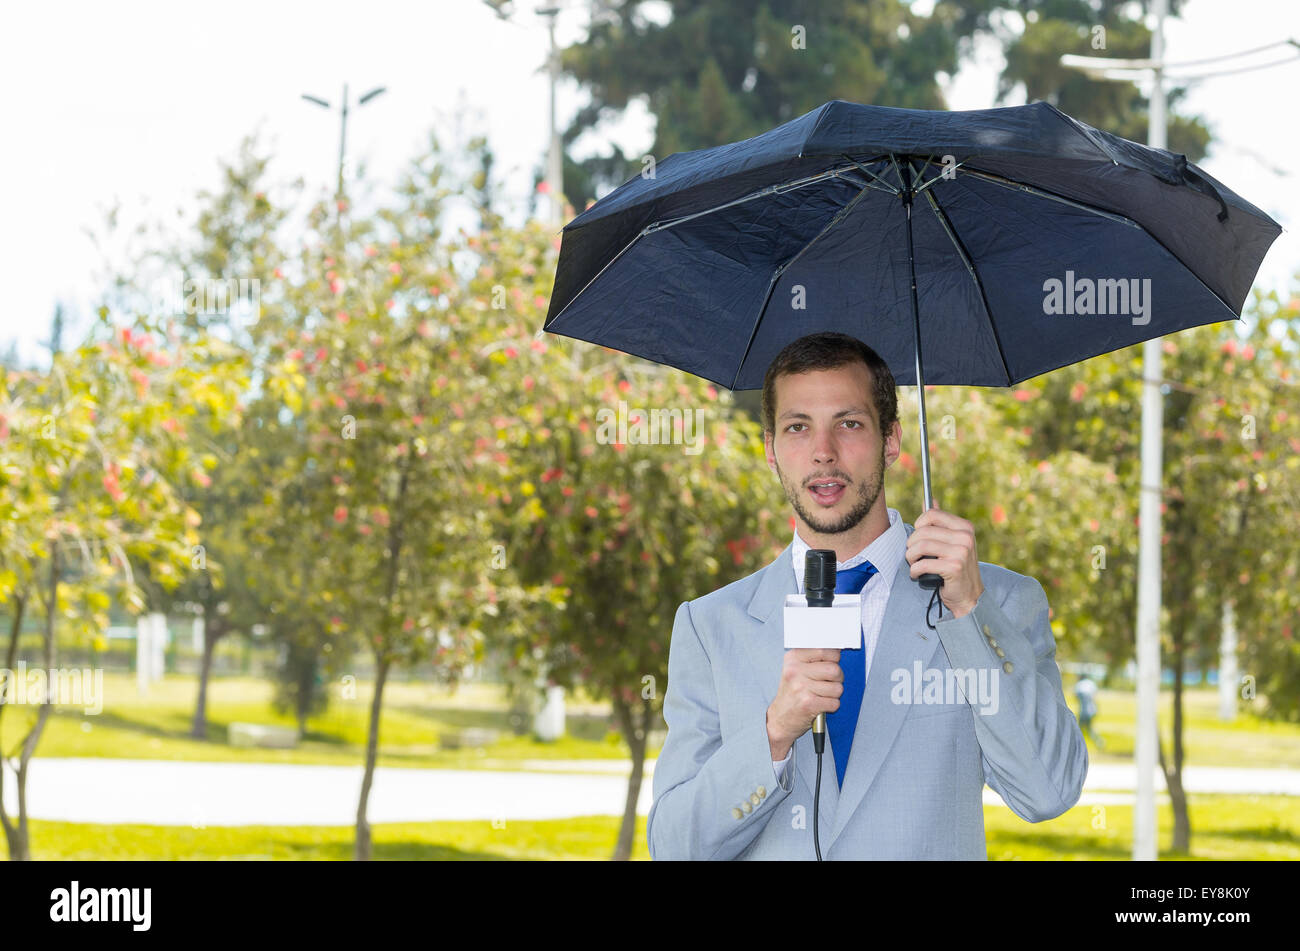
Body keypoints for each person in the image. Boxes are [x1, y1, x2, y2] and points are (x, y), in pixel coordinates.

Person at [647, 332, 1088, 860]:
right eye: (797, 427)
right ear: (770, 449)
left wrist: (971, 611)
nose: (823, 452)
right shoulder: (710, 626)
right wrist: (774, 734)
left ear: (892, 440)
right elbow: (674, 847)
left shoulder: (999, 602)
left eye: (849, 424)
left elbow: (1049, 790)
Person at [1074, 673, 1104, 750]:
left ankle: (1076, 748)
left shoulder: (1079, 685)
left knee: (1077, 731)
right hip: (1092, 710)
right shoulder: (1091, 684)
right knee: (1089, 730)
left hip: (1084, 711)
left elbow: (1076, 698)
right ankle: (1100, 742)